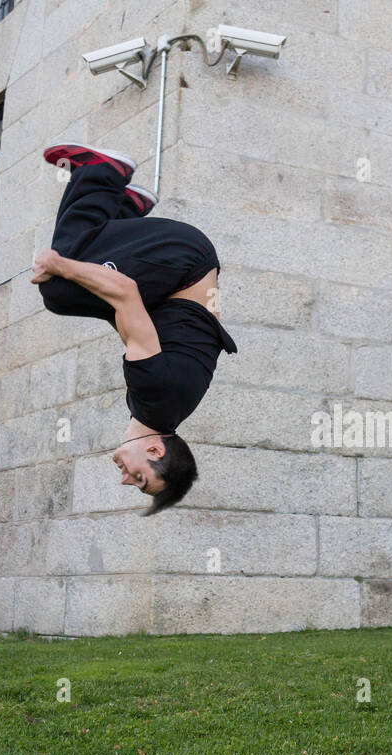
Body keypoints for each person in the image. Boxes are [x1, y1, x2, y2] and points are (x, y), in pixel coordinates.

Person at [31, 144, 236, 515]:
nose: (125, 479)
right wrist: (59, 264)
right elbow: (125, 291)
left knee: (74, 289)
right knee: (57, 286)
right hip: (180, 257)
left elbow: (125, 316)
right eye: (140, 478)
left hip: (178, 267)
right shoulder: (155, 395)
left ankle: (128, 207)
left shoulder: (160, 408)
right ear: (155, 450)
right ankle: (103, 171)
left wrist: (86, 278)